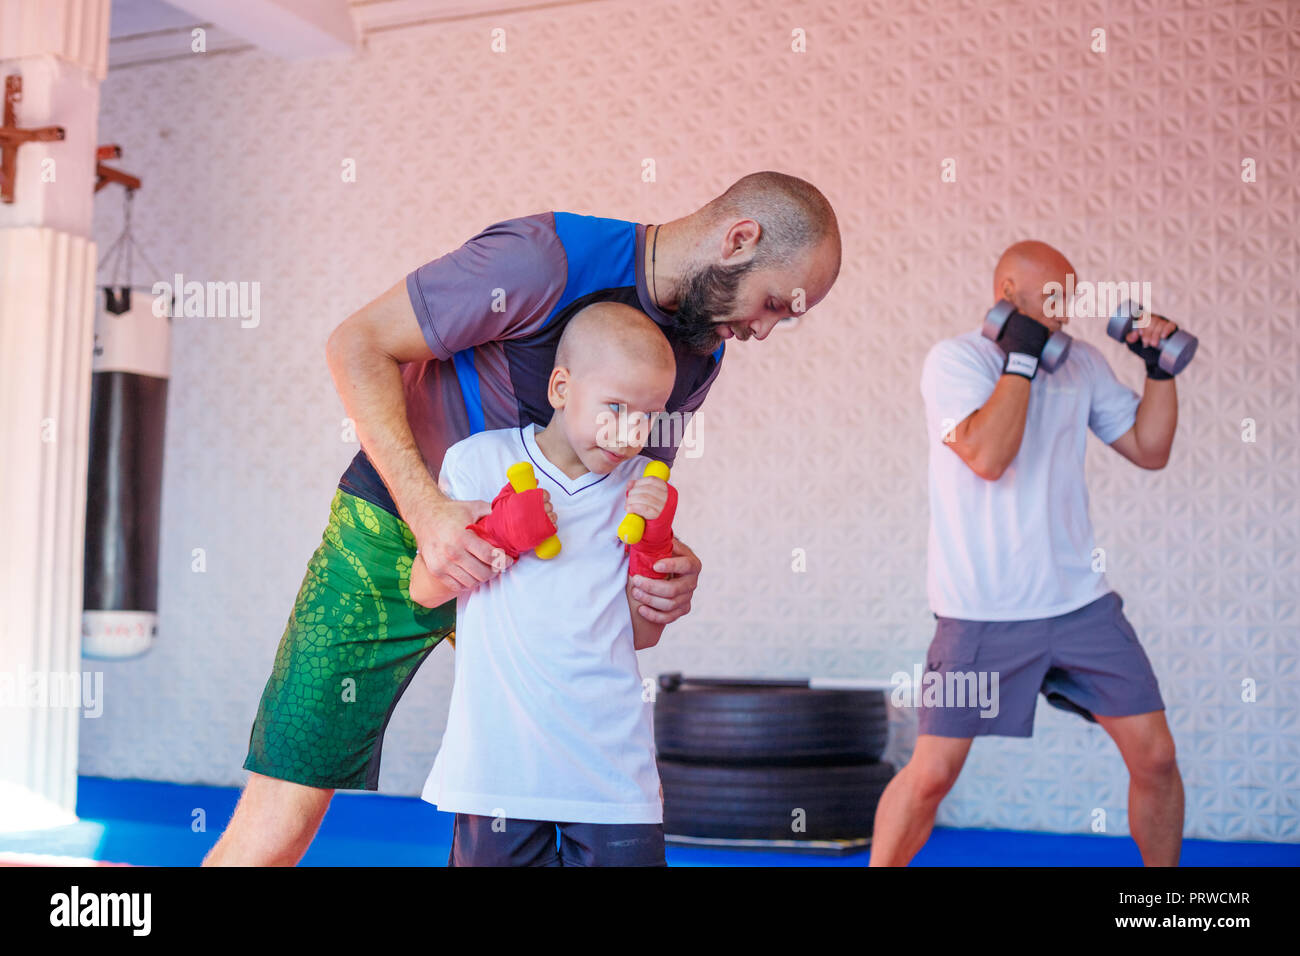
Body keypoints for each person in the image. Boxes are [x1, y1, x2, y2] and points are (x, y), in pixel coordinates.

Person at [204, 171, 841, 865]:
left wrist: (665, 568)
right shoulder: (542, 260)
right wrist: (429, 513)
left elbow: (629, 496)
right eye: (774, 302)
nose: (766, 330)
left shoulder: (698, 351)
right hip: (393, 524)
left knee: (546, 794)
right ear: (738, 239)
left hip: (533, 571)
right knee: (286, 810)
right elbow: (357, 342)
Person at [870, 240, 1185, 867]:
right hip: (980, 611)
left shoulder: (1083, 365)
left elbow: (1150, 449)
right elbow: (988, 457)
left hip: (1079, 606)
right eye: (1053, 299)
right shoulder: (955, 361)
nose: (1066, 314)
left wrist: (1158, 373)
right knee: (933, 773)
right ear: (1008, 291)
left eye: (1071, 299)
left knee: (1156, 755)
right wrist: (1020, 360)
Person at [410, 302, 677, 866]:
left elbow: (643, 635)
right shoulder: (480, 462)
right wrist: (499, 533)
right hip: (500, 764)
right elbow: (424, 590)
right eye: (616, 407)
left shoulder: (640, 490)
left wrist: (653, 549)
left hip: (612, 770)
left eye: (648, 416)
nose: (631, 433)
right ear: (561, 387)